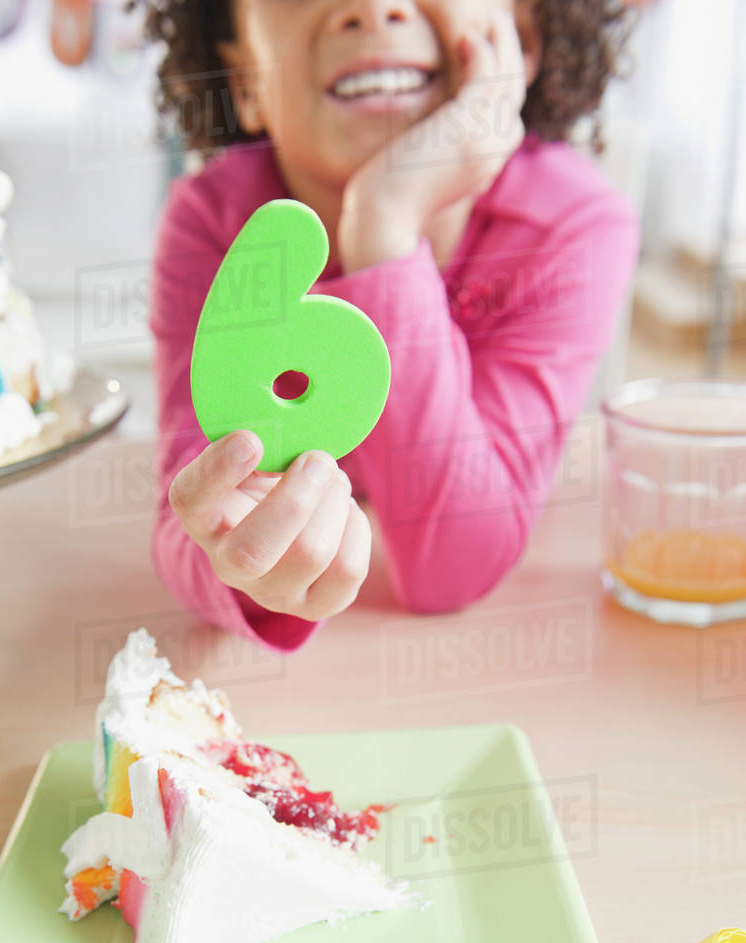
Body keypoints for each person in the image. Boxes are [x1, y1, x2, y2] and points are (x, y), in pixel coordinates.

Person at [143, 0, 640, 651]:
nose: (372, 9)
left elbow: (455, 564)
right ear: (244, 85)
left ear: (515, 43)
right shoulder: (217, 224)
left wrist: (384, 224)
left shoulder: (570, 225)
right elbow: (188, 515)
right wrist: (240, 561)